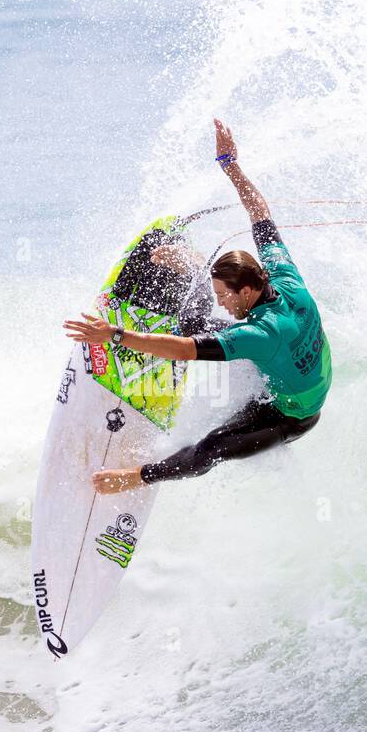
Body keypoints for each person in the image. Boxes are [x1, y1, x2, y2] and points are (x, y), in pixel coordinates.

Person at [64, 118, 332, 494]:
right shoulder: (283, 274)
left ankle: (135, 478)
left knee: (212, 448)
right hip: (285, 359)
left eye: (224, 295)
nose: (222, 302)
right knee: (194, 323)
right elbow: (260, 214)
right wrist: (230, 164)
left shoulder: (259, 333)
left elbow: (184, 351)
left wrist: (114, 335)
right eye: (217, 292)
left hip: (291, 413)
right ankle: (194, 264)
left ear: (246, 291)